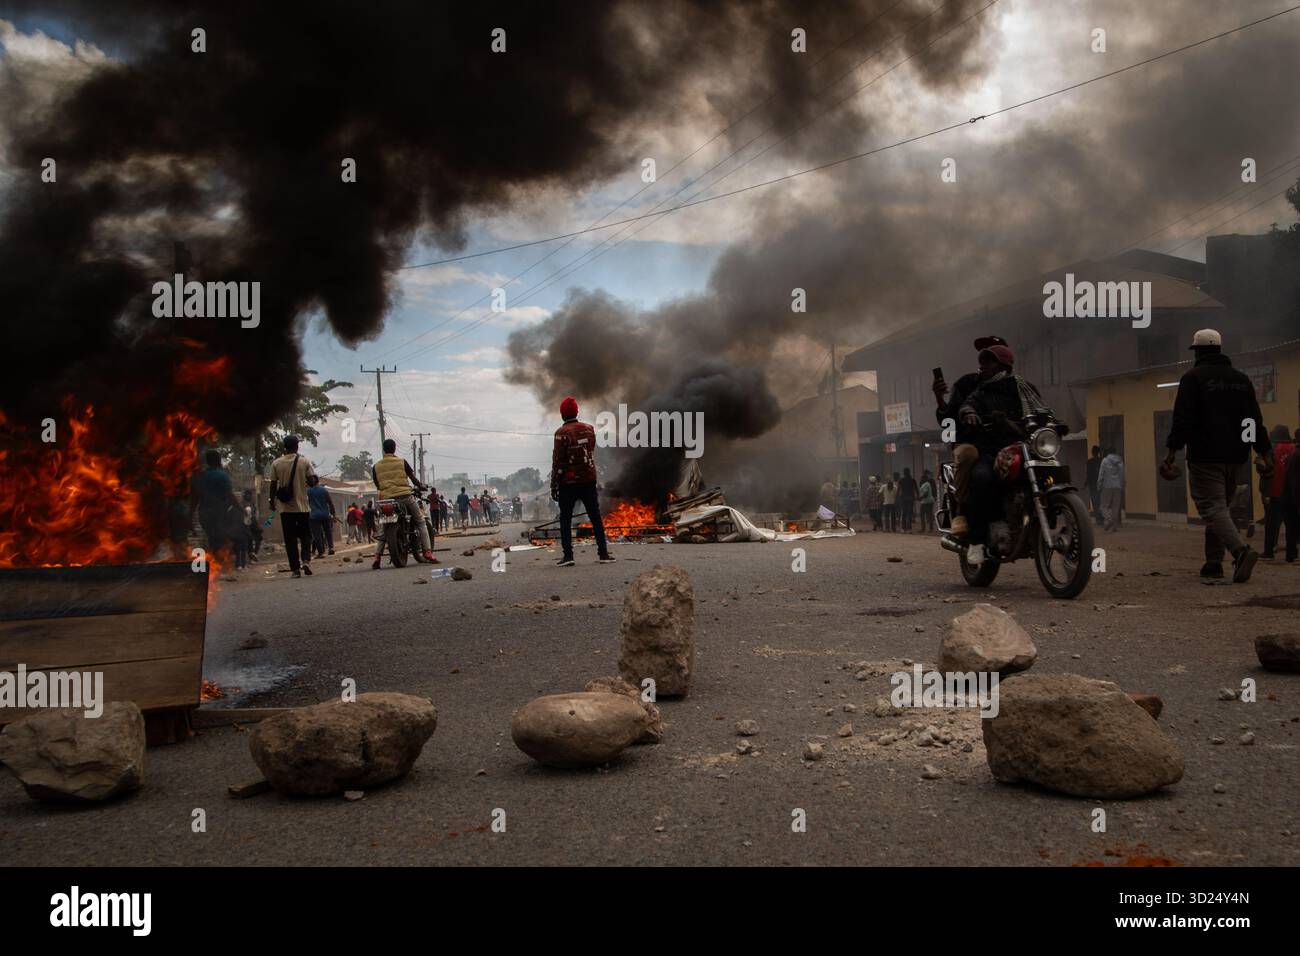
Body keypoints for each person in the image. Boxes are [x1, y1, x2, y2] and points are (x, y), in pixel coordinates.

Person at [1163, 329, 1272, 583]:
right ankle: (1213, 562)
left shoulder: (1192, 378)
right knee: (1220, 508)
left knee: (1212, 507)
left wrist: (1171, 452)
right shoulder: (1242, 380)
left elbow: (1183, 420)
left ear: (1198, 352)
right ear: (1219, 350)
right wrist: (1265, 452)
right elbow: (1253, 420)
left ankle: (1240, 552)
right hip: (1237, 456)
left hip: (1205, 455)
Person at [958, 344, 1052, 565]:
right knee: (981, 478)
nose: (982, 367)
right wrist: (970, 414)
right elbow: (966, 405)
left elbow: (1042, 411)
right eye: (982, 363)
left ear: (1003, 365)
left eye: (988, 363)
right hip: (990, 450)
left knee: (1050, 473)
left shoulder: (1025, 389)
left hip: (1025, 448)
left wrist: (1054, 424)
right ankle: (977, 542)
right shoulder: (981, 392)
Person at [933, 335, 1010, 537]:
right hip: (975, 444)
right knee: (972, 460)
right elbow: (948, 421)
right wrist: (940, 400)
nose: (984, 361)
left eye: (992, 355)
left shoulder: (1017, 386)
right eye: (983, 355)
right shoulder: (968, 385)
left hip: (1009, 444)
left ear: (1004, 360)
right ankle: (962, 513)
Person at [552, 396, 614, 566]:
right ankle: (603, 554)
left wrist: (554, 484)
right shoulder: (589, 429)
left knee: (565, 519)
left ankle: (568, 556)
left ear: (562, 414)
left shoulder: (560, 433)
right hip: (588, 479)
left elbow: (558, 461)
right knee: (595, 517)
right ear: (576, 412)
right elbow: (591, 451)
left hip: (568, 483)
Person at [370, 438, 435, 568]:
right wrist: (421, 486)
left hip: (387, 499)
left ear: (384, 450)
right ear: (394, 449)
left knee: (383, 528)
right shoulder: (401, 462)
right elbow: (413, 479)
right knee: (421, 521)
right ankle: (428, 552)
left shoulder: (376, 466)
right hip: (405, 496)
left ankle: (377, 557)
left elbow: (378, 485)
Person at [268, 434, 316, 578]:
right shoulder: (304, 462)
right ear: (297, 446)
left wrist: (272, 502)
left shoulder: (276, 463)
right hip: (302, 507)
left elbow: (272, 484)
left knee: (290, 539)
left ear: (285, 447)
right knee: (306, 535)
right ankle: (306, 560)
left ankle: (295, 569)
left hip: (285, 508)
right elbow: (312, 482)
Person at [191, 449, 237, 559]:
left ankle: (214, 563)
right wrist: (240, 509)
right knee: (221, 540)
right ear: (218, 460)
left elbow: (195, 498)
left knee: (213, 538)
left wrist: (190, 517)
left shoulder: (200, 476)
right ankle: (218, 563)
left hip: (204, 514)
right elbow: (230, 495)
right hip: (219, 513)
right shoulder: (222, 476)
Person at [1263, 424, 1296, 561]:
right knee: (1292, 525)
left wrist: (1264, 491)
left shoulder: (1272, 449)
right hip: (1292, 493)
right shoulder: (1295, 449)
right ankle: (1291, 553)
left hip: (1275, 492)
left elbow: (1265, 470)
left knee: (1271, 524)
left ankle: (1269, 551)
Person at [307, 474, 336, 557]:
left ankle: (321, 552)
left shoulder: (309, 491)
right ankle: (331, 548)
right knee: (328, 532)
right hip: (325, 514)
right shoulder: (324, 490)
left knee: (317, 534)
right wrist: (333, 514)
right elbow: (330, 503)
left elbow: (306, 503)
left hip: (314, 516)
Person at [1098, 446, 1125, 532]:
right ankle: (1114, 526)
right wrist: (1122, 484)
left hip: (1107, 486)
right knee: (1116, 507)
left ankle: (1108, 519)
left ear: (1108, 453)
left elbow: (1101, 474)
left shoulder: (1105, 461)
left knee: (1104, 506)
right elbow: (1122, 474)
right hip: (1118, 487)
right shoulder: (1120, 461)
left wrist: (1099, 485)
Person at [1086, 445, 1104, 525]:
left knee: (1095, 502)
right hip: (1101, 484)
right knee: (1101, 501)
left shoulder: (1089, 462)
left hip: (1093, 484)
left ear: (1092, 452)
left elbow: (1088, 474)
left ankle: (1098, 519)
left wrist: (1086, 482)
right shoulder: (1102, 461)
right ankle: (1101, 517)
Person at [898, 468, 918, 533]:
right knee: (909, 513)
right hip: (911, 498)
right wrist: (918, 496)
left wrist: (897, 498)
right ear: (909, 472)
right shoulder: (912, 480)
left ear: (904, 473)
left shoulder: (901, 480)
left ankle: (903, 528)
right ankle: (909, 528)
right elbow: (916, 489)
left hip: (903, 498)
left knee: (904, 513)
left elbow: (898, 490)